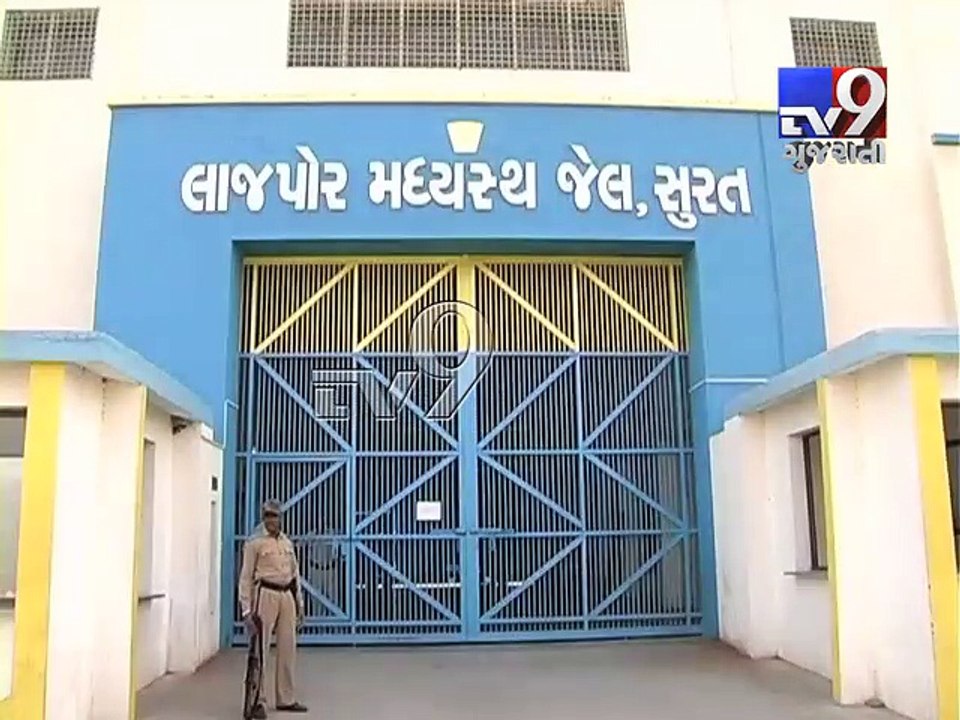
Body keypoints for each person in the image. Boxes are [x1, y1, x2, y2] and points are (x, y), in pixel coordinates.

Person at [238, 500, 309, 716]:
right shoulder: (255, 543)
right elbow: (246, 577)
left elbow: (295, 574)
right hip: (265, 594)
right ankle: (257, 700)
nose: (271, 520)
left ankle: (286, 698)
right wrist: (246, 610)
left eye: (274, 516)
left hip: (286, 594)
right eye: (268, 515)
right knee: (260, 650)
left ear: (280, 518)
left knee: (288, 649)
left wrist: (299, 603)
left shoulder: (286, 543)